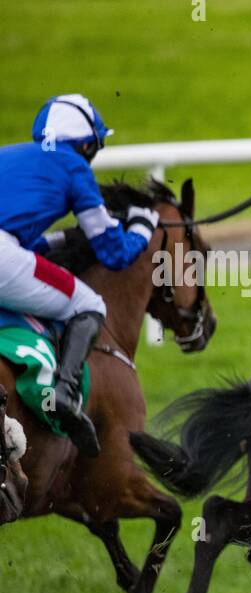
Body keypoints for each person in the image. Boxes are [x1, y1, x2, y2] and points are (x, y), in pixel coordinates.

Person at [0, 94, 160, 456]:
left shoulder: (11, 155)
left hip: (6, 249)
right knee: (88, 303)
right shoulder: (74, 168)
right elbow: (114, 253)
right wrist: (140, 228)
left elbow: (21, 235)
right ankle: (65, 393)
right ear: (87, 143)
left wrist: (62, 237)